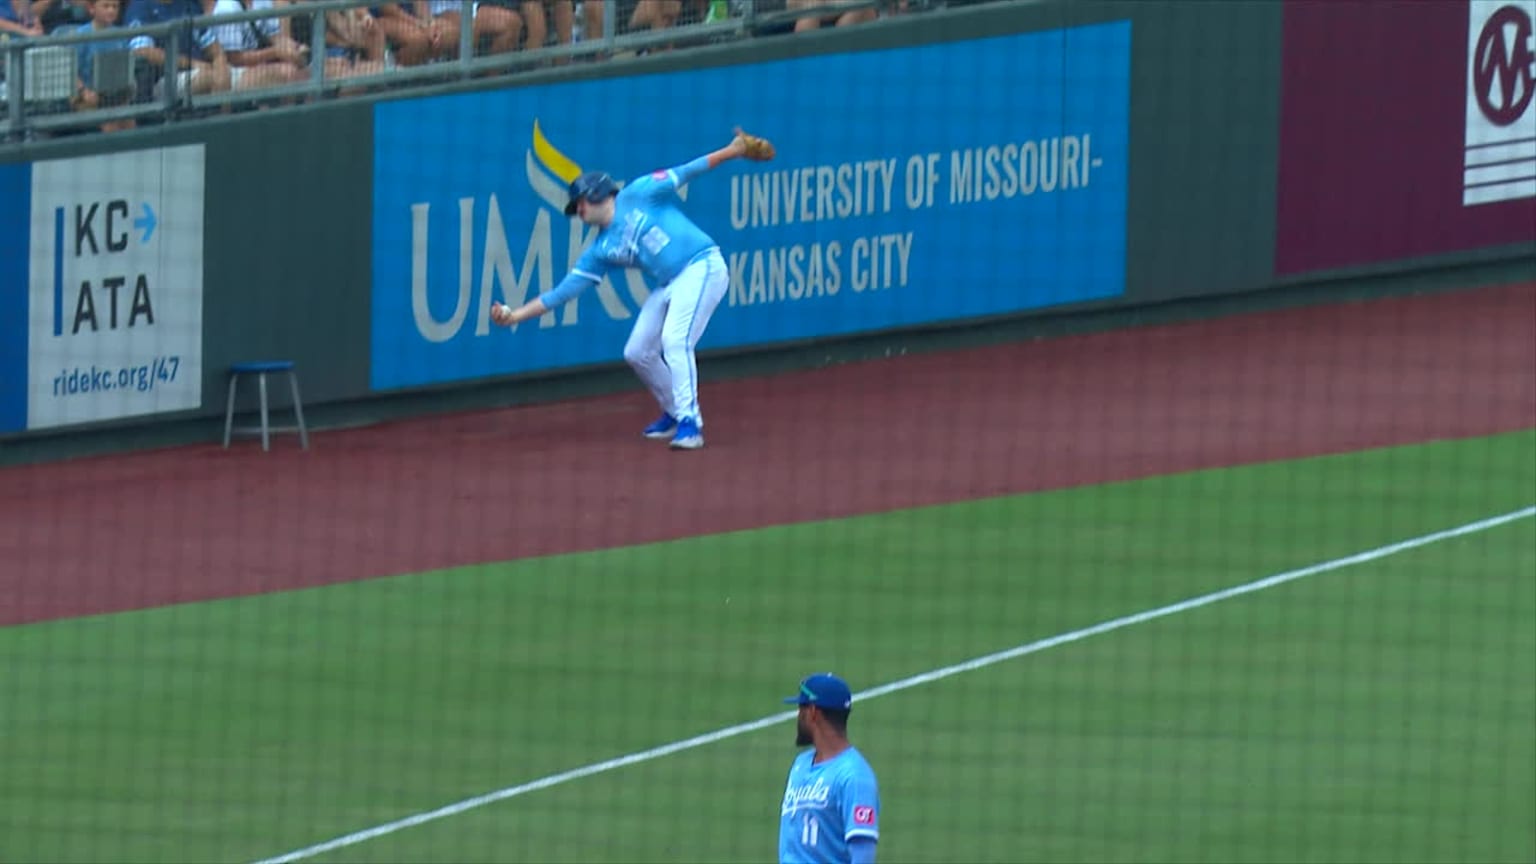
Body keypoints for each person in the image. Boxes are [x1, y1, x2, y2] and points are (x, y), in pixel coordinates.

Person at [489, 126, 775, 451]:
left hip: (702, 266)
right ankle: (673, 410)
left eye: (579, 203)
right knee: (637, 351)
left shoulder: (639, 192)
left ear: (597, 193)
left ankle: (690, 423)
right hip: (671, 283)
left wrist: (733, 150)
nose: (578, 211)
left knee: (675, 341)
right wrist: (515, 317)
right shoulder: (600, 249)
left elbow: (688, 171)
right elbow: (561, 293)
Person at [778, 673, 880, 864]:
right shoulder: (800, 764)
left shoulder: (855, 777)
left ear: (813, 712)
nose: (798, 716)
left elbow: (863, 855)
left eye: (801, 708)